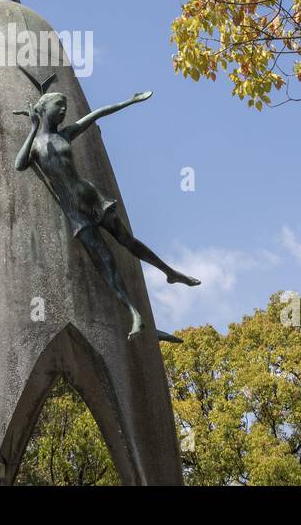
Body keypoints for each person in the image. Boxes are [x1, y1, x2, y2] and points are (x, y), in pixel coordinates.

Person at [14, 86, 200, 339]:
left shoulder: (66, 135)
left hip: (92, 198)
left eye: (65, 107)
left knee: (128, 242)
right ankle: (135, 314)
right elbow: (20, 164)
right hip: (75, 212)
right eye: (59, 106)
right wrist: (34, 127)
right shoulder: (36, 146)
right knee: (107, 263)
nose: (64, 111)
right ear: (44, 108)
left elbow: (97, 115)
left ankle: (171, 273)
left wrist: (129, 101)